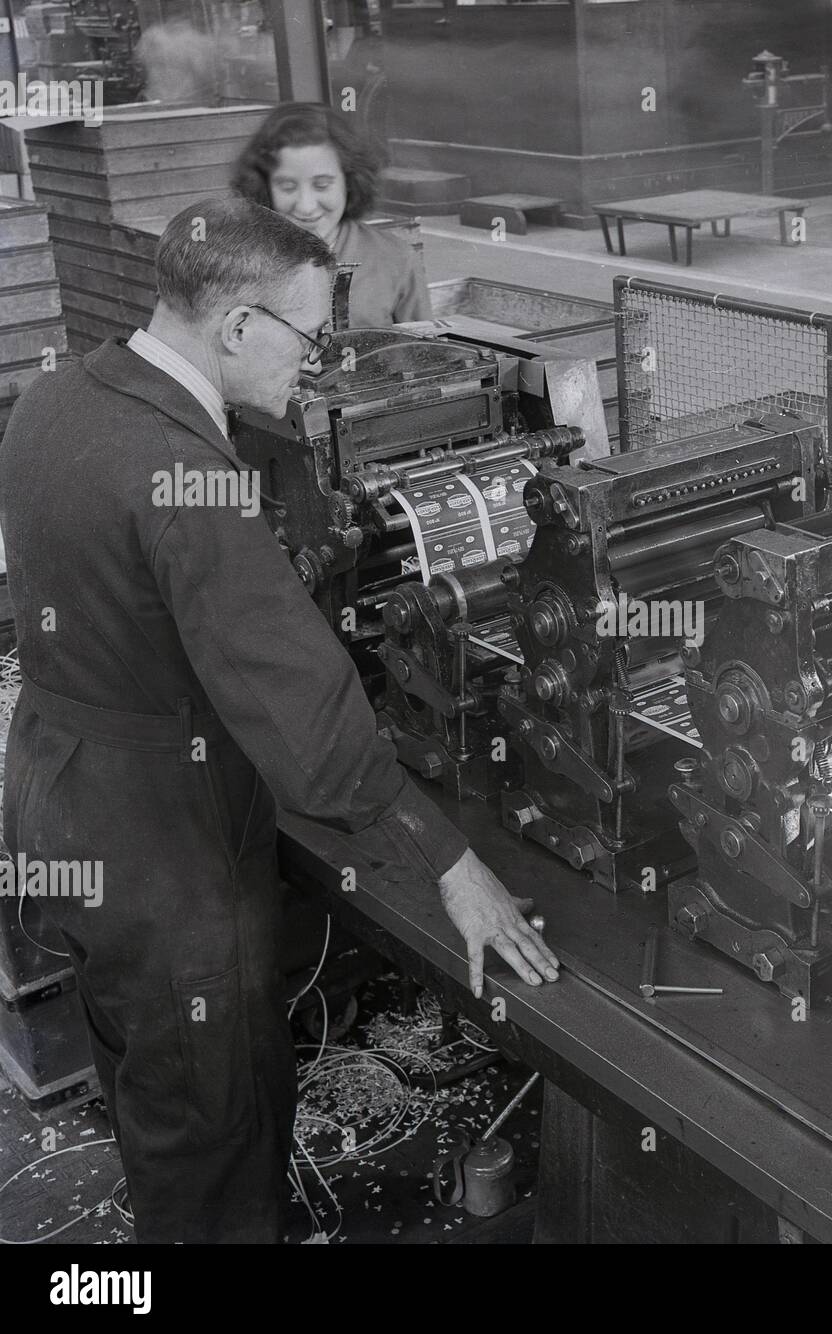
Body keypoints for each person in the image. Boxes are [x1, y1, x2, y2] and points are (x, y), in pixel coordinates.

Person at [0, 197, 558, 1244]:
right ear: (239, 326)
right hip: (163, 851)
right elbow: (305, 719)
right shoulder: (189, 479)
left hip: (55, 807)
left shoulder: (53, 396)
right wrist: (447, 860)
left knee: (147, 1086)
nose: (318, 359)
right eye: (310, 335)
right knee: (218, 1125)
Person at [232, 101, 434, 329]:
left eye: (322, 185)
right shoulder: (239, 263)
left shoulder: (397, 259)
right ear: (265, 186)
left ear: (349, 181)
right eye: (287, 187)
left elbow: (426, 352)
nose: (306, 207)